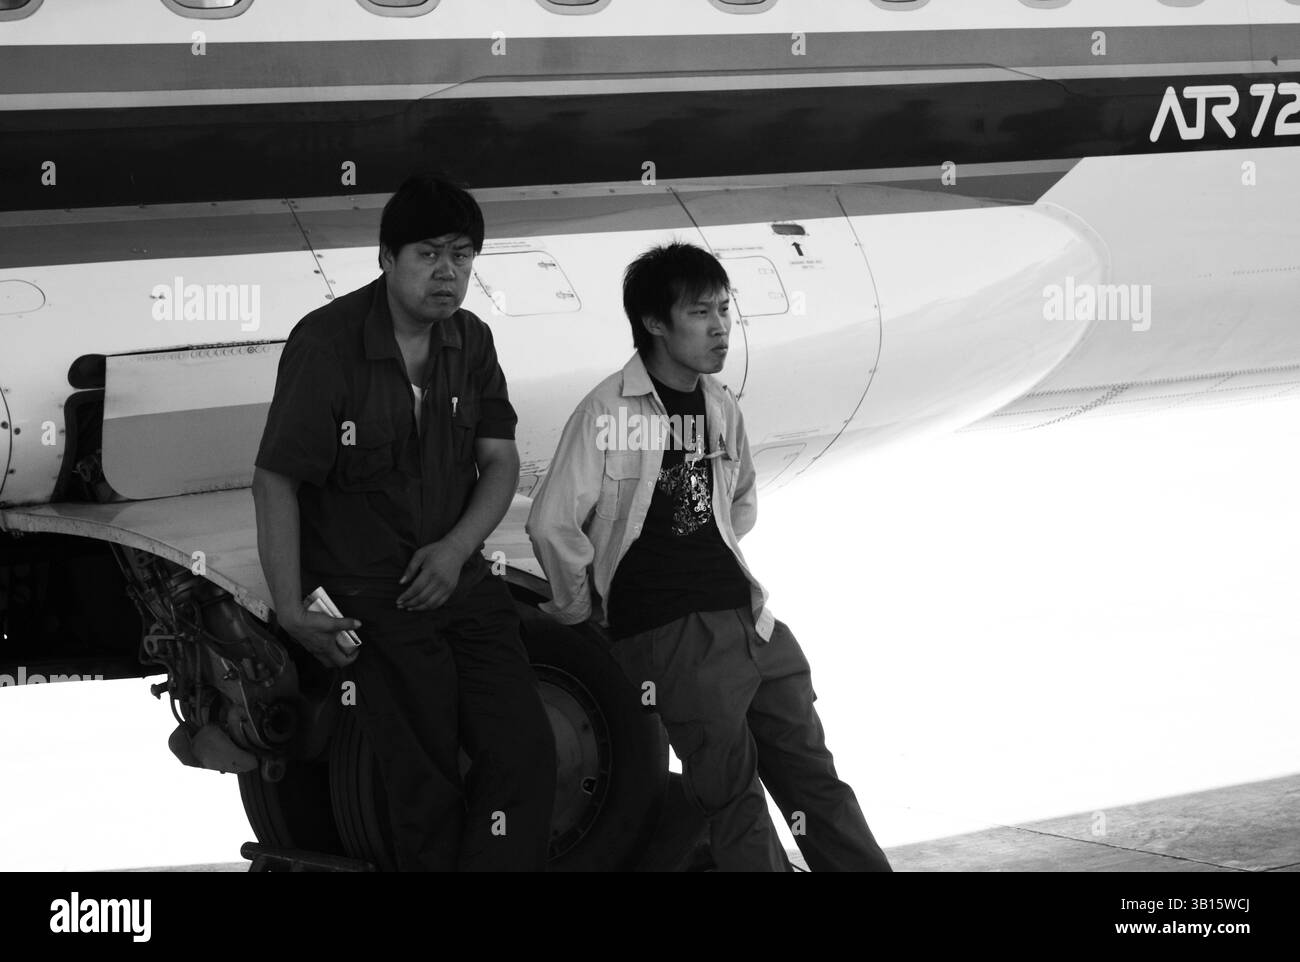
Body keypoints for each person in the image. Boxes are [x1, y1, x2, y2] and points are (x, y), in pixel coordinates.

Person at [526, 241, 891, 872]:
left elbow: (740, 502)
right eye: (700, 313)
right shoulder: (608, 412)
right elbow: (551, 521)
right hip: (674, 635)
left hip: (750, 621)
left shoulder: (720, 404)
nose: (721, 327)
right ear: (654, 324)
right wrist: (583, 610)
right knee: (735, 801)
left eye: (725, 309)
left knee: (817, 785)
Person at [252, 173, 555, 872]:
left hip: (461, 583)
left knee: (527, 755)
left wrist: (455, 549)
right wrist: (292, 609)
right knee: (422, 790)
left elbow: (500, 462)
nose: (447, 273)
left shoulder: (470, 341)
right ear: (386, 257)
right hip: (373, 596)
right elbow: (276, 479)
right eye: (428, 254)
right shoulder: (327, 348)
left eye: (463, 256)